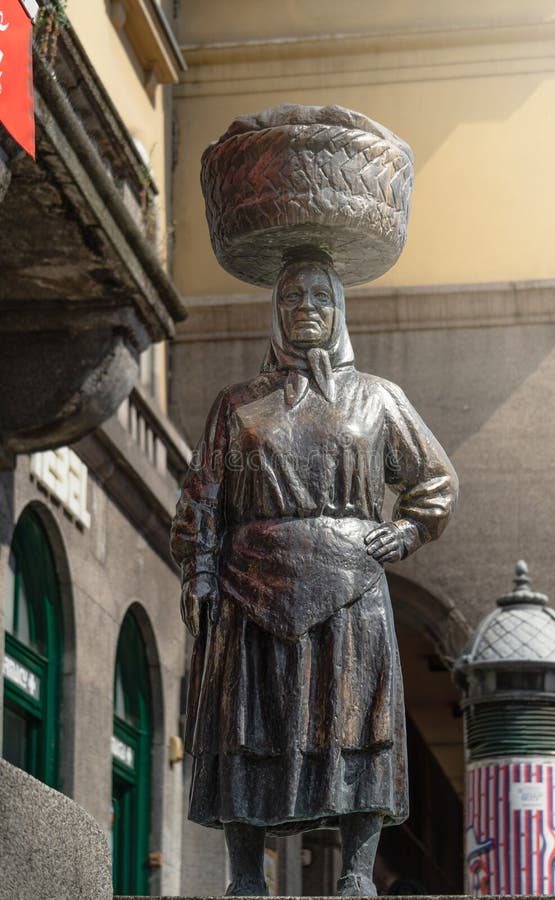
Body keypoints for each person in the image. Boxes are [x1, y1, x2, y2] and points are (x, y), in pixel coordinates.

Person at [171, 249, 458, 897]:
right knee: (250, 725)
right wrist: (201, 574)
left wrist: (408, 528)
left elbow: (434, 481)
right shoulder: (236, 405)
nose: (307, 310)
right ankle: (246, 875)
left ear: (340, 310)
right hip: (252, 587)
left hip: (352, 589)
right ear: (275, 312)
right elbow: (200, 499)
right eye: (293, 298)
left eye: (321, 298)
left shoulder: (379, 398)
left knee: (357, 721)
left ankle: (356, 872)